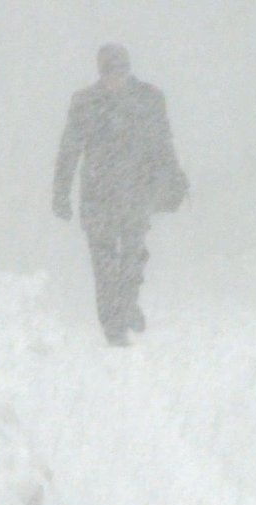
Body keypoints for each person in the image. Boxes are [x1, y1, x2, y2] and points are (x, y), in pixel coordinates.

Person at [53, 44, 188, 346]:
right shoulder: (86, 103)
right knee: (104, 265)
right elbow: (69, 150)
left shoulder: (149, 99)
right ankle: (113, 327)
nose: (116, 78)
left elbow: (163, 142)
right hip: (97, 198)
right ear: (100, 74)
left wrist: (174, 180)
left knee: (132, 258)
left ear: (128, 69)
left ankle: (126, 305)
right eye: (109, 72)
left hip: (136, 193)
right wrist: (60, 193)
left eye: (121, 70)